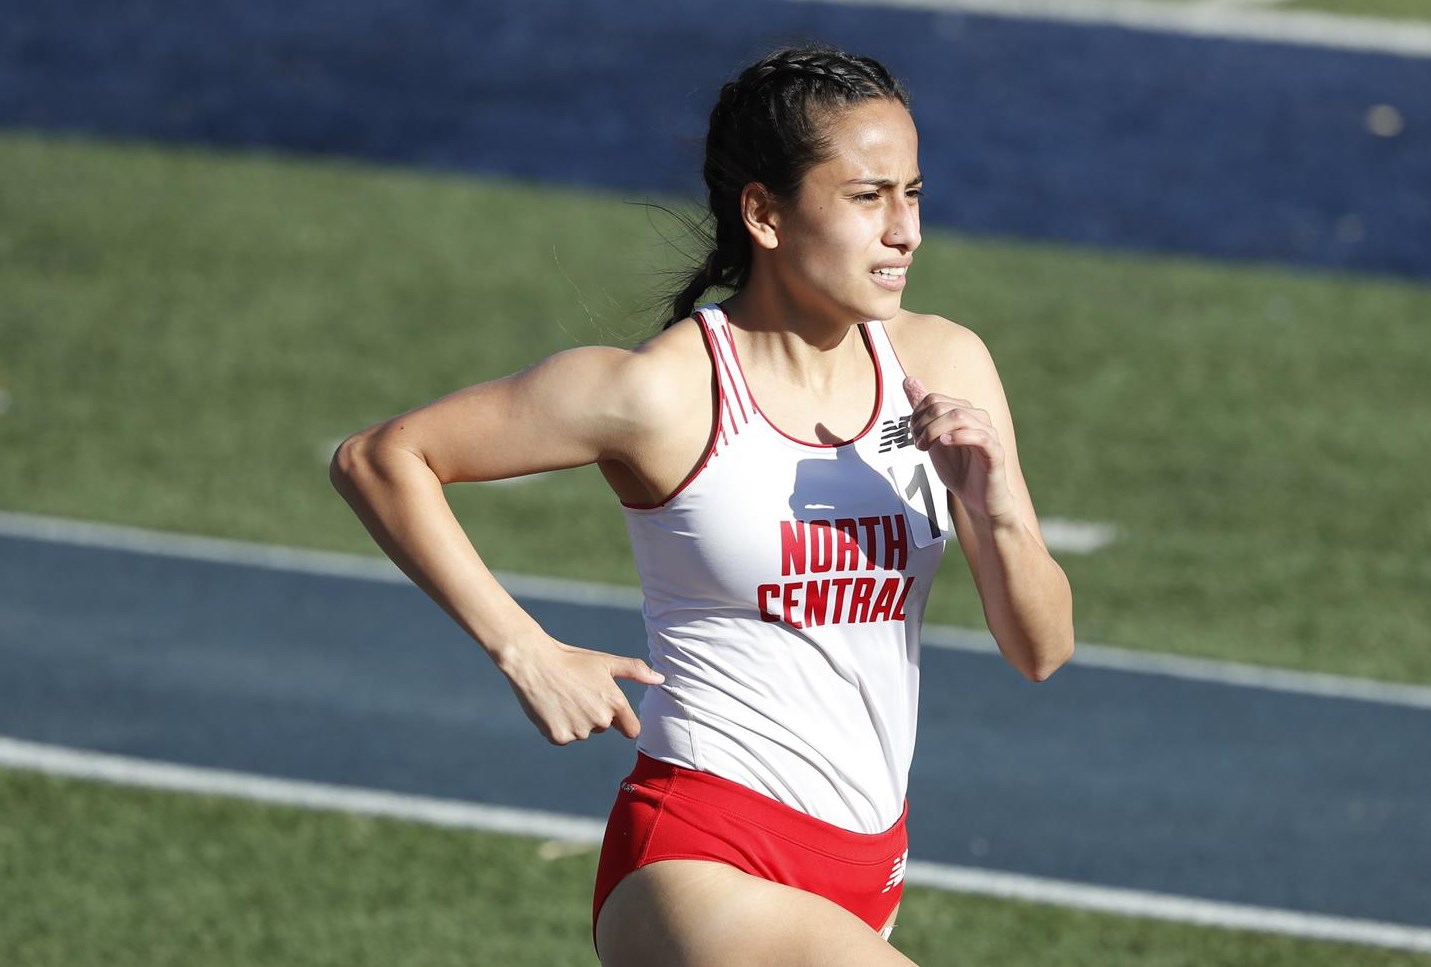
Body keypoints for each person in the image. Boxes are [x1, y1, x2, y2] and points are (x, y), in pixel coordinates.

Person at [331, 42, 1073, 967]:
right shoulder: (665, 392)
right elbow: (382, 456)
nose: (906, 231)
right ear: (764, 212)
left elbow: (1040, 649)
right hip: (701, 852)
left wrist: (996, 501)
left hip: (868, 865)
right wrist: (525, 648)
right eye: (867, 196)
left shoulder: (944, 366)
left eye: (913, 193)